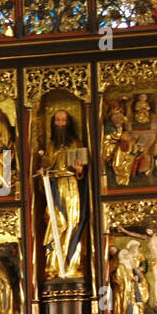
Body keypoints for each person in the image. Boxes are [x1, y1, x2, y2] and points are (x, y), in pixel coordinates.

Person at [37, 109, 88, 280]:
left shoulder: (76, 143)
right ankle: (54, 266)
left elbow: (84, 172)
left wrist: (80, 170)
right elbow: (46, 167)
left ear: (68, 123)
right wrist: (43, 171)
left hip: (71, 185)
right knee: (56, 224)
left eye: (63, 120)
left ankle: (71, 265)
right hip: (55, 186)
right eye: (57, 120)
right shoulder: (50, 146)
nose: (60, 124)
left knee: (73, 222)